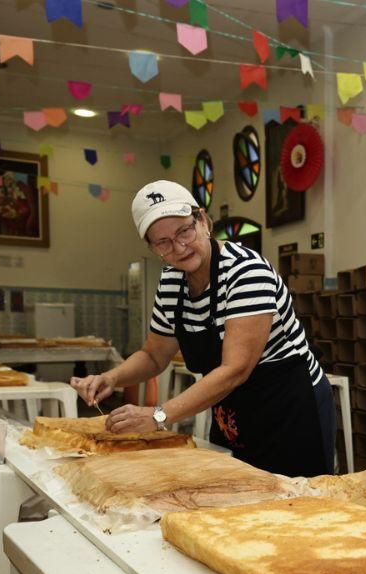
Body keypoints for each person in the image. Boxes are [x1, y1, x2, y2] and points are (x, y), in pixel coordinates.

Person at [71, 180, 335, 477]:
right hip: (230, 409)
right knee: (228, 504)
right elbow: (155, 355)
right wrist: (111, 377)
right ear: (153, 247)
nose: (180, 247)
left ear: (203, 221)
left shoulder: (246, 271)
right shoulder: (172, 281)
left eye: (184, 231)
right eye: (163, 242)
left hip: (288, 409)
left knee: (297, 510)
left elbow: (236, 369)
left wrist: (159, 416)